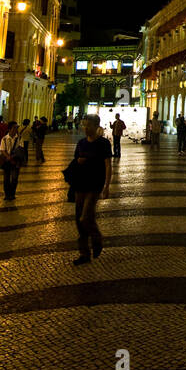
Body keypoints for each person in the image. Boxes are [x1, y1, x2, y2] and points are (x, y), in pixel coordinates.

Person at [67, 114, 112, 266]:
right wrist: (78, 161)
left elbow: (107, 165)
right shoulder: (81, 143)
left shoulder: (104, 143)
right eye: (84, 125)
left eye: (88, 126)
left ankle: (97, 238)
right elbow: (75, 160)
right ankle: (84, 253)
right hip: (80, 184)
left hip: (94, 185)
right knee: (79, 220)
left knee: (85, 217)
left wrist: (107, 186)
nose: (85, 128)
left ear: (96, 126)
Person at [0, 121, 22, 200]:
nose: (16, 129)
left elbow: (20, 149)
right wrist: (8, 157)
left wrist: (12, 157)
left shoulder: (19, 138)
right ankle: (7, 194)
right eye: (14, 128)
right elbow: (2, 150)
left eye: (16, 128)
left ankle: (12, 193)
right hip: (7, 161)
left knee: (15, 178)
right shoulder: (4, 139)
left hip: (15, 161)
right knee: (6, 178)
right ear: (9, 129)